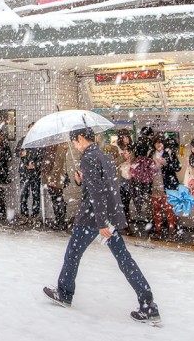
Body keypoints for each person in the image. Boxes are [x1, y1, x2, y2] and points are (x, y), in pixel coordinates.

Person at [43, 126, 161, 327]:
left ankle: (64, 293)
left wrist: (100, 223)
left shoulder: (89, 158)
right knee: (124, 259)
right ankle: (148, 303)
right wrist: (82, 182)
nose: (74, 146)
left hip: (93, 218)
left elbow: (98, 193)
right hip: (109, 216)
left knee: (73, 253)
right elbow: (107, 187)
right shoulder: (103, 155)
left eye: (74, 142)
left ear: (80, 138)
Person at [150, 134, 181, 240]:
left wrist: (166, 164)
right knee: (156, 210)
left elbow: (177, 167)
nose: (159, 145)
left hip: (167, 186)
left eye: (160, 142)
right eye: (156, 142)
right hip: (155, 185)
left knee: (169, 210)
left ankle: (172, 231)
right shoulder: (151, 154)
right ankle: (158, 230)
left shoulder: (169, 153)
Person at [41, 142, 70, 229]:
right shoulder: (50, 148)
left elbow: (58, 165)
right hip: (50, 178)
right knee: (55, 198)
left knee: (58, 198)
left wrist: (52, 178)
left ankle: (61, 221)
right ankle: (58, 220)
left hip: (56, 179)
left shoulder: (59, 148)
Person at [18, 132, 42, 222]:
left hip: (35, 172)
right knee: (24, 193)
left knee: (36, 194)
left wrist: (35, 165)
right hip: (24, 172)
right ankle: (24, 215)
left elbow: (42, 156)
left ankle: (35, 216)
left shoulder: (39, 142)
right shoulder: (22, 141)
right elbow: (17, 152)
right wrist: (21, 153)